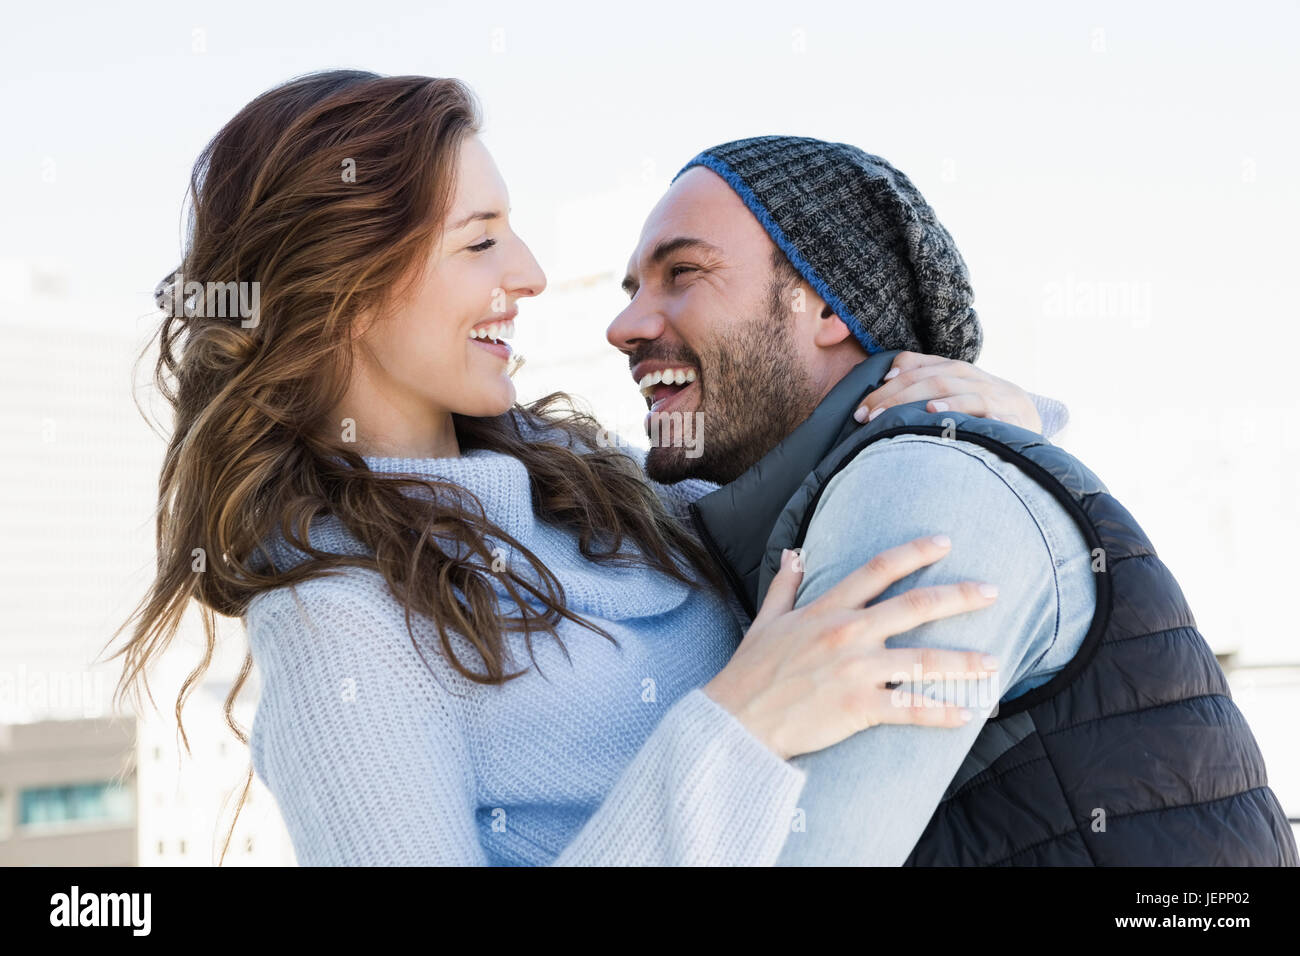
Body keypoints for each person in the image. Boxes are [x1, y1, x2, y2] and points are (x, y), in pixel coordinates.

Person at [110, 71, 1047, 866]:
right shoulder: (339, 622)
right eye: (479, 240)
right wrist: (738, 730)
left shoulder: (586, 482)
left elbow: (801, 462)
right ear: (346, 285)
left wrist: (992, 407)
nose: (528, 273)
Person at [608, 134, 1298, 865]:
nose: (623, 328)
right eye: (631, 292)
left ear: (825, 306)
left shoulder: (919, 486)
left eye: (682, 272)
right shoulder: (801, 508)